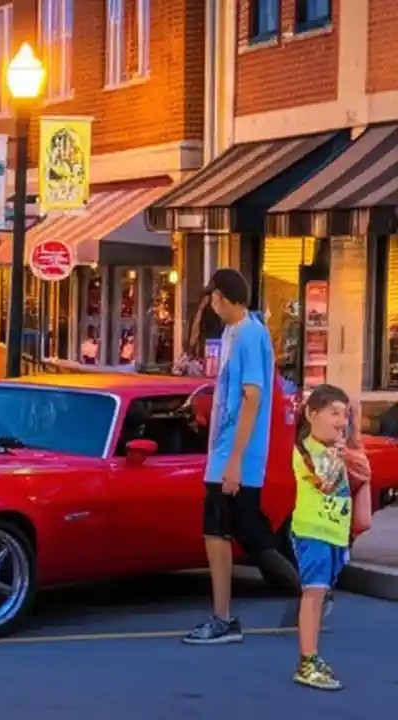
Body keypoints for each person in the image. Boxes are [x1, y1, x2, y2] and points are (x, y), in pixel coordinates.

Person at [183, 268, 291, 645]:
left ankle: (223, 617)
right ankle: (308, 592)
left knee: (218, 531)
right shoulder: (238, 332)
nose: (212, 304)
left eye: (214, 298)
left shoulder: (247, 335)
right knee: (245, 530)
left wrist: (233, 460)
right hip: (228, 448)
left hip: (234, 452)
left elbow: (253, 396)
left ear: (224, 298)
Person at [288, 384, 352, 691]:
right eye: (334, 413)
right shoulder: (307, 450)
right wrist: (341, 455)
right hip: (312, 531)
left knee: (321, 593)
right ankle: (307, 661)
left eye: (346, 414)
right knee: (313, 595)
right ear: (312, 414)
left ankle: (312, 657)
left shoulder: (335, 449)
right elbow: (325, 482)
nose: (341, 421)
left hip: (334, 532)